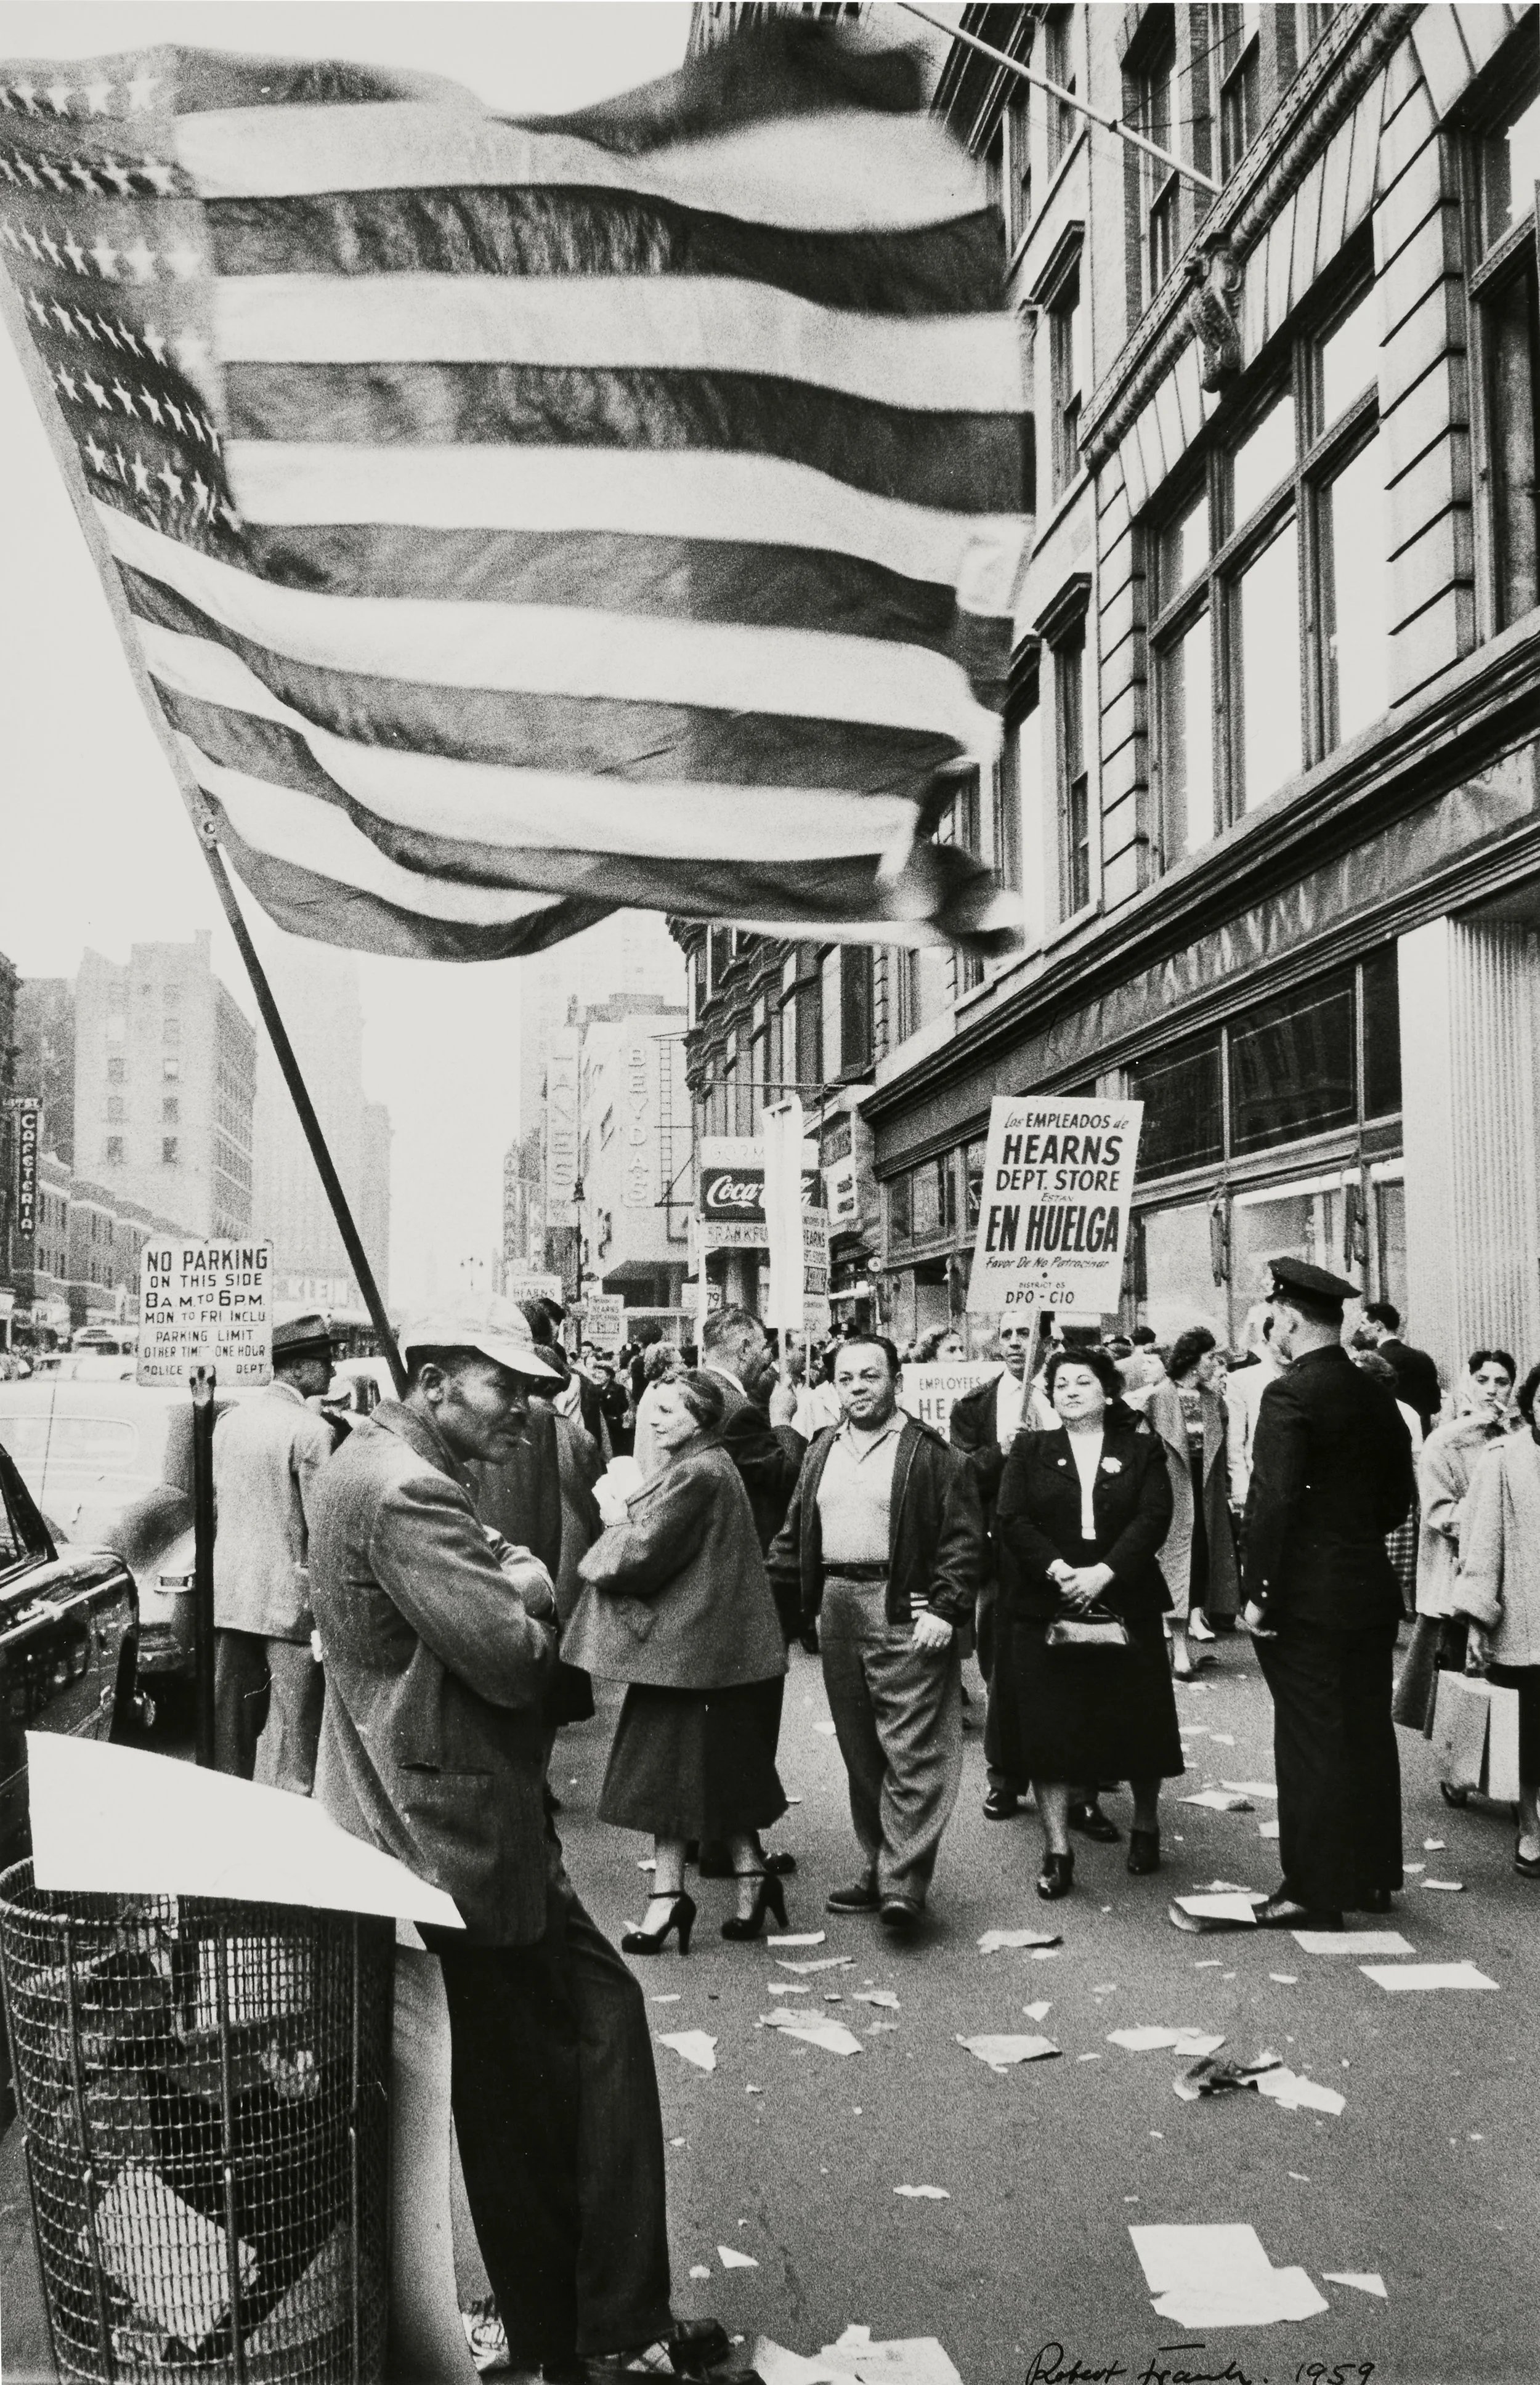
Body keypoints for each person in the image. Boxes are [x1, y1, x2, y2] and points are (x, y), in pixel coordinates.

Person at [310, 1303, 728, 2385]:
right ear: (436, 1381)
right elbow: (514, 1661)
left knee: (579, 2041)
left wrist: (514, 1572)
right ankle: (570, 2335)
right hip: (452, 1837)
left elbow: (495, 1562)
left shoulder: (397, 1467)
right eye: (506, 1387)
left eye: (536, 1391)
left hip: (465, 1821)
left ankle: (602, 2316)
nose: (526, 1411)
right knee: (519, 2098)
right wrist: (534, 1590)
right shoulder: (401, 1487)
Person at [565, 1370, 791, 1945]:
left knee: (668, 1776)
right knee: (710, 1770)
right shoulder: (709, 1465)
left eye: (669, 1410)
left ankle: (668, 1898)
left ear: (701, 1418)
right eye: (654, 1407)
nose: (654, 1418)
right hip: (703, 1654)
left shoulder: (696, 1472)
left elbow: (640, 1556)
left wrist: (614, 1525)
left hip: (687, 1657)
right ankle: (750, 1877)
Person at [768, 1335, 983, 1932]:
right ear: (833, 1386)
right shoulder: (821, 1448)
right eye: (847, 1377)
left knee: (913, 1751)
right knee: (861, 1750)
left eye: (870, 1375)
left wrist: (945, 1608)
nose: (858, 1387)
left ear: (897, 1381)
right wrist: (763, 1604)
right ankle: (878, 1862)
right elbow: (792, 1536)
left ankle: (902, 1882)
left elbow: (963, 1540)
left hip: (902, 1606)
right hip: (836, 1609)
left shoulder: (932, 1454)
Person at [1242, 1258, 1416, 1929]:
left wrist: (1260, 1592)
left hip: (1304, 1597)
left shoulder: (1287, 1395)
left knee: (1309, 1738)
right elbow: (1397, 1500)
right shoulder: (1376, 1393)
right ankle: (1372, 1875)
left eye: (1273, 1318)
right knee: (1366, 1731)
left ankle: (1314, 1890)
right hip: (1367, 1586)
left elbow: (1273, 1502)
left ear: (1287, 1317)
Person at [994, 1346, 1181, 1897]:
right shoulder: (1030, 1448)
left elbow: (1155, 1516)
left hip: (1125, 1594)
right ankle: (1058, 1850)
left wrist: (1105, 1572)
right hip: (1046, 1599)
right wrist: (1058, 1570)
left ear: (1108, 1391)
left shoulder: (1141, 1449)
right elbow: (1012, 1518)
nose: (1071, 1391)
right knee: (1049, 1727)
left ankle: (1145, 1826)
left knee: (1139, 1719)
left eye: (1083, 1381)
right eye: (1061, 1384)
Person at [697, 1306, 807, 1871]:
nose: (769, 1359)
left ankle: (716, 1836)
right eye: (763, 1348)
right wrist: (785, 1421)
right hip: (749, 1579)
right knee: (750, 1716)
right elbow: (784, 1476)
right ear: (742, 1348)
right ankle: (736, 1847)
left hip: (710, 1580)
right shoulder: (738, 1411)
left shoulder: (696, 1393)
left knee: (719, 1716)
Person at [211, 1311, 334, 1791]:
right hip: (291, 1605)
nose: (332, 1371)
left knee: (230, 1733)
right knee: (296, 1736)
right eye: (324, 1361)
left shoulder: (230, 1423)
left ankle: (228, 1812)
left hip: (232, 1597)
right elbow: (322, 1528)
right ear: (299, 1369)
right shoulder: (312, 1431)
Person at [1395, 1348, 1517, 1735]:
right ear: (1468, 1383)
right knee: (1460, 1681)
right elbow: (1438, 1512)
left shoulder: (1519, 1439)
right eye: (1483, 1380)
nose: (1492, 1390)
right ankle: (1463, 1754)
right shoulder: (1444, 1442)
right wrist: (1489, 1516)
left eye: (1502, 1382)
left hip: (1511, 1578)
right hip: (1457, 1575)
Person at [949, 1316, 1038, 1823]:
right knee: (1001, 1664)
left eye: (1025, 1333)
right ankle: (1006, 1776)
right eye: (1008, 1335)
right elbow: (961, 1474)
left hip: (1066, 1554)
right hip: (1002, 1554)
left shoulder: (1074, 1392)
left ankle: (1078, 1786)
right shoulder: (975, 1406)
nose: (1016, 1344)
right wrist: (1000, 1450)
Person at [1454, 1361, 1540, 1876]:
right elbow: (1481, 1543)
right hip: (1526, 1622)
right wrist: (1478, 1618)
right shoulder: (1504, 1459)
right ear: (1532, 1404)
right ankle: (1530, 1826)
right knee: (1531, 1733)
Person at [1145, 1327, 1241, 1678]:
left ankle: (1194, 1620)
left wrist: (1231, 1490)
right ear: (1193, 1359)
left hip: (1206, 1493)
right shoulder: (1157, 1398)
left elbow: (1225, 1452)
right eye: (1211, 1357)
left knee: (1200, 1558)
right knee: (1174, 1563)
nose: (1216, 1363)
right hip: (1169, 1493)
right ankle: (1179, 1649)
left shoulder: (1214, 1400)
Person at [1352, 1346, 1425, 1613]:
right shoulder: (1348, 1410)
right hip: (1368, 1499)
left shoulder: (1406, 1414)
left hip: (1390, 1498)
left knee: (1391, 1564)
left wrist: (1420, 1499)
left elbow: (1416, 1460)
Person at [1356, 1301, 1443, 1438]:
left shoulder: (1372, 1361)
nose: (1361, 1330)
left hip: (1389, 1435)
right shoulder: (1423, 1358)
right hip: (1423, 1434)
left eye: (1364, 1323)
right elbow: (1435, 1405)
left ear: (1379, 1325)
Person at [1226, 1314, 1283, 1512]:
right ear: (1265, 1343)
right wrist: (1240, 1488)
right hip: (1258, 1482)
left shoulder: (1306, 1376)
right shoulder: (1242, 1380)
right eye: (1278, 1343)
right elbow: (1235, 1440)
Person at [633, 1340, 684, 1480]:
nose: (684, 1367)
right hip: (659, 1465)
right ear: (667, 1367)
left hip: (649, 1466)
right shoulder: (664, 1393)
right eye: (680, 1363)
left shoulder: (651, 1390)